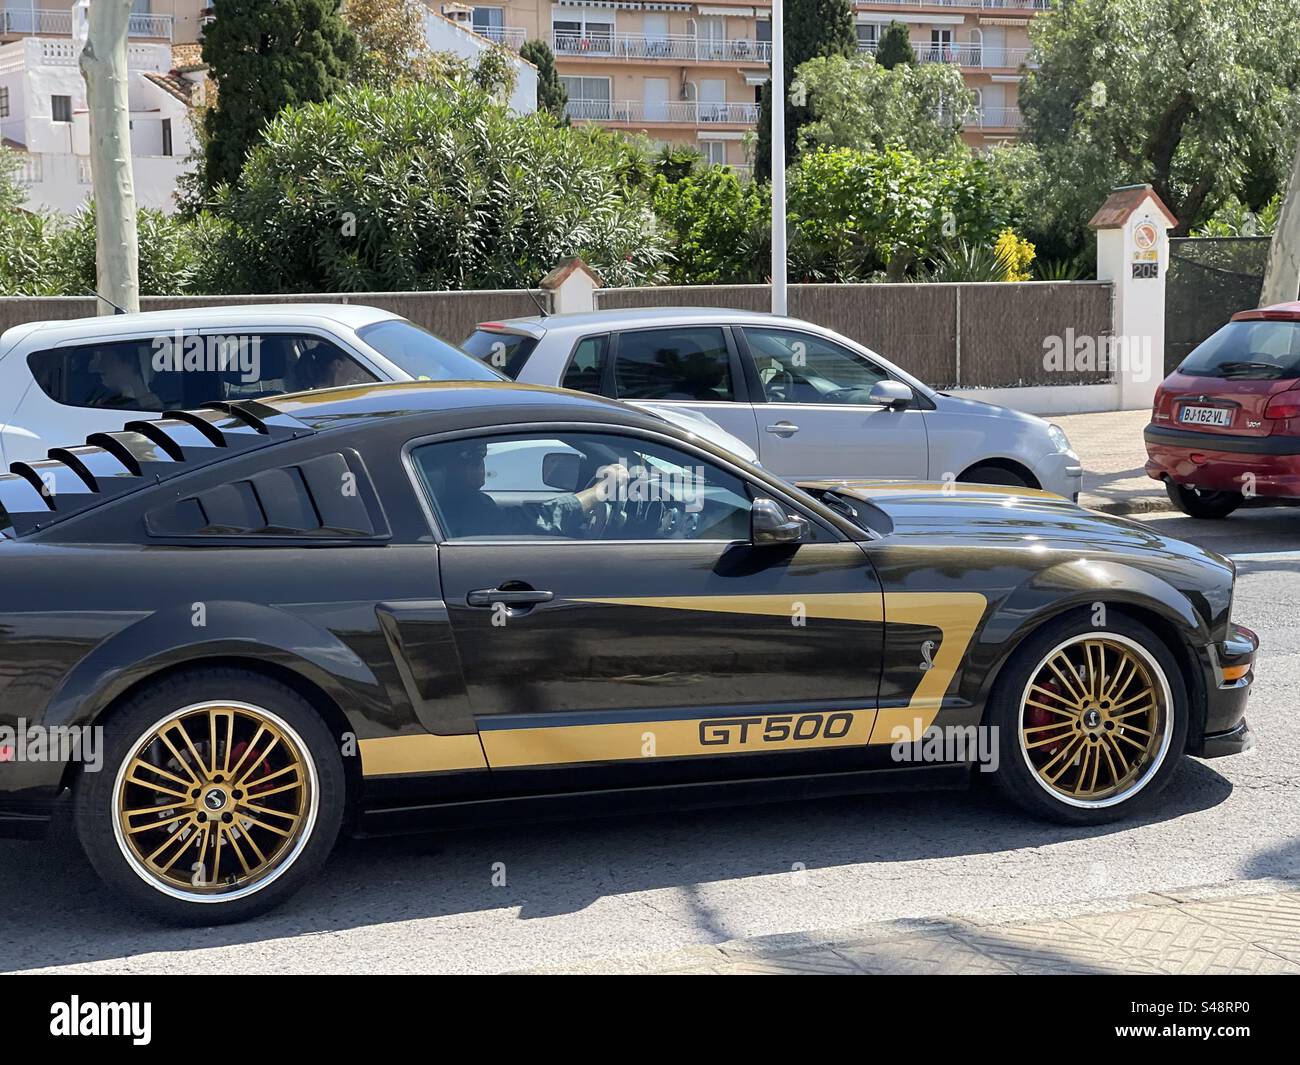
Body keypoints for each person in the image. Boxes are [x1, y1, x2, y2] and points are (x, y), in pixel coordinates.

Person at [434, 441, 629, 538]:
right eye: (472, 457)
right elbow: (527, 522)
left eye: (481, 455)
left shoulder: (445, 502)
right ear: (443, 467)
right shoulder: (463, 506)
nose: (480, 463)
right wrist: (597, 492)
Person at [89, 346, 162, 410]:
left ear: (129, 364)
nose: (101, 368)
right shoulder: (99, 402)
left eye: (107, 361)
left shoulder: (150, 405)